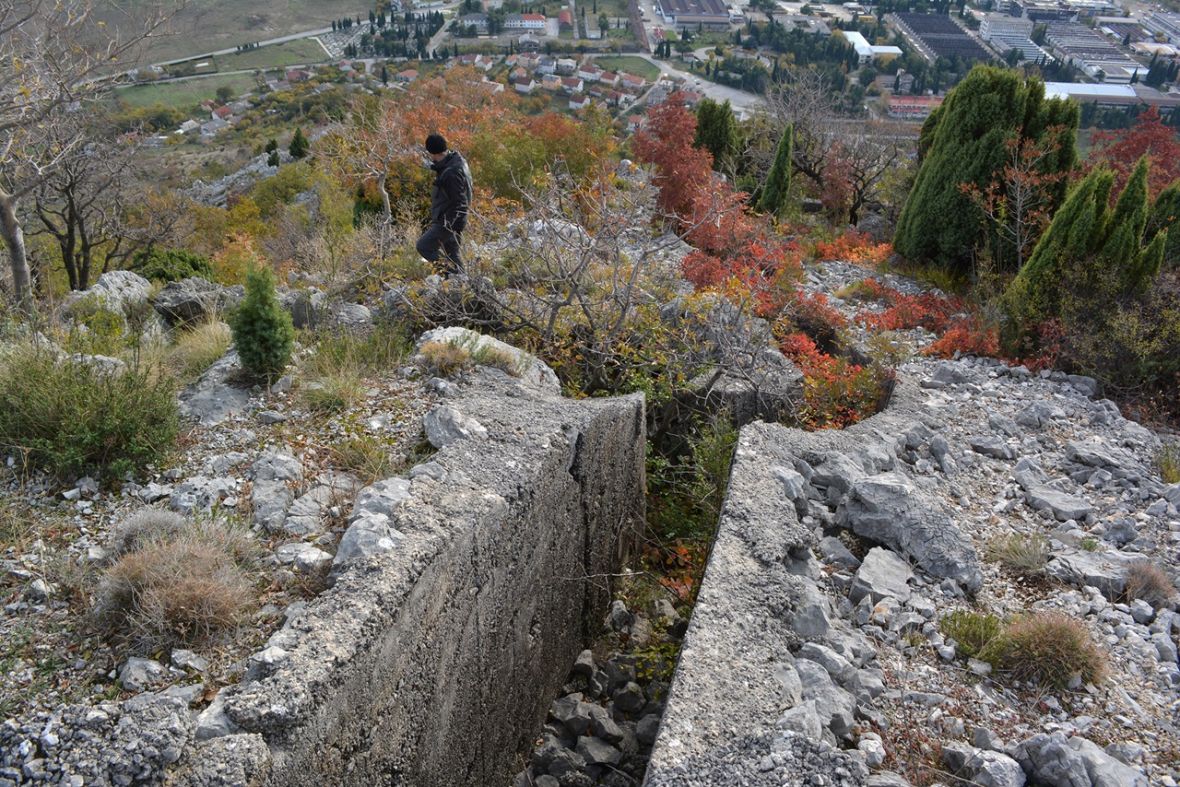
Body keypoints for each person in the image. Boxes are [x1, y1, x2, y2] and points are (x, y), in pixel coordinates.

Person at [416, 133, 472, 276]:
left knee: (424, 246)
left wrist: (448, 225)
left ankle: (450, 274)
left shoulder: (451, 173)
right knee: (452, 254)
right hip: (455, 219)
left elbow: (460, 202)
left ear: (432, 152)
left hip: (449, 220)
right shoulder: (457, 161)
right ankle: (461, 281)